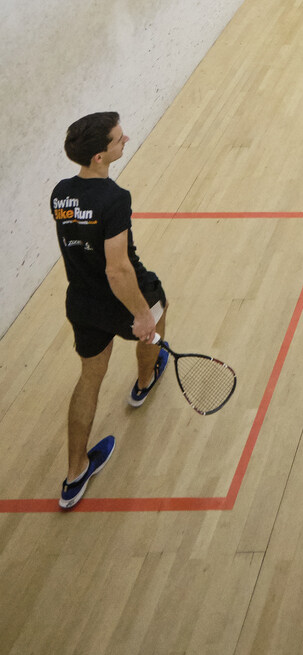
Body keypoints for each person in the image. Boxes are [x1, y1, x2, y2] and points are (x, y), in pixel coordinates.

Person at [50, 112, 169, 510]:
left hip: (81, 302)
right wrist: (141, 313)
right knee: (158, 310)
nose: (125, 140)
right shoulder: (114, 199)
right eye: (118, 140)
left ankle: (74, 475)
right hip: (120, 297)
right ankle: (143, 381)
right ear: (100, 157)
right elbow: (117, 268)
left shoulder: (61, 193)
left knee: (90, 377)